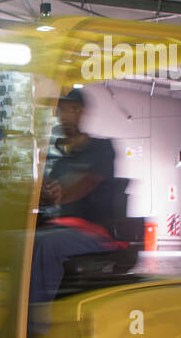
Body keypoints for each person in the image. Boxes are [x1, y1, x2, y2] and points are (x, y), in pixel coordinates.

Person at [29, 88, 121, 311]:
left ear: (82, 112)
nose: (66, 116)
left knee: (48, 244)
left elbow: (88, 183)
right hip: (64, 227)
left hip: (95, 230)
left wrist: (60, 193)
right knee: (20, 240)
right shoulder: (60, 161)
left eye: (72, 109)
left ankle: (34, 326)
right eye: (61, 110)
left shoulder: (102, 149)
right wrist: (44, 196)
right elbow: (49, 196)